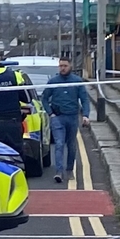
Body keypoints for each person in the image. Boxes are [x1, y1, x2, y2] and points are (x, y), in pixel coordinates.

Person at [40, 56, 91, 185]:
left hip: (72, 117)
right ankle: (58, 171)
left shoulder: (77, 81)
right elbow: (44, 98)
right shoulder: (53, 82)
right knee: (59, 144)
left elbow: (84, 99)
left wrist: (85, 115)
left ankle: (69, 170)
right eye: (60, 66)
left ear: (70, 66)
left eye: (65, 66)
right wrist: (50, 113)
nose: (62, 68)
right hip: (58, 117)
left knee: (72, 145)